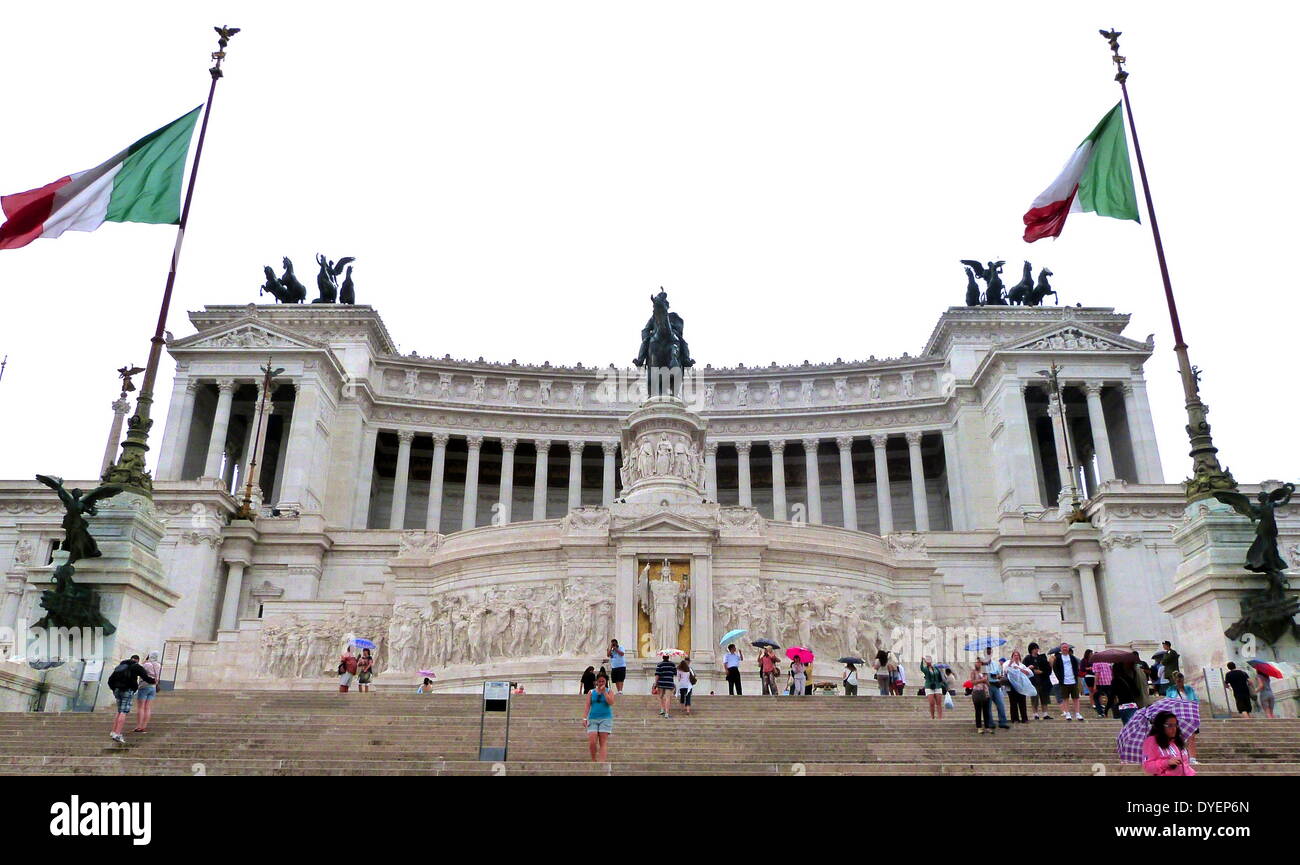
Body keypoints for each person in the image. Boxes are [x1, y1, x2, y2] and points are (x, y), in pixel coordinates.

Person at [107, 655, 156, 744]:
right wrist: (154, 681)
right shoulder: (136, 666)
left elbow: (110, 680)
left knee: (119, 711)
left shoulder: (120, 666)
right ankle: (117, 733)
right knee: (123, 711)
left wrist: (114, 689)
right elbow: (145, 678)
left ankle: (113, 731)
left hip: (117, 690)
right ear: (137, 660)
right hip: (127, 690)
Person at [1141, 710, 1196, 776]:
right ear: (1160, 726)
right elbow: (1148, 766)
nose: (1174, 728)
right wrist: (1167, 762)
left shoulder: (1177, 741)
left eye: (1175, 725)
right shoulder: (1151, 741)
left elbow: (1185, 765)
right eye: (1169, 725)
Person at [584, 671, 616, 761]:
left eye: (603, 681)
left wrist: (604, 693)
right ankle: (594, 759)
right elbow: (587, 705)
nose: (601, 683)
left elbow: (611, 702)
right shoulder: (591, 692)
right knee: (592, 741)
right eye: (599, 681)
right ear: (596, 682)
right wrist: (584, 718)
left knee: (603, 742)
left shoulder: (609, 691)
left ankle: (602, 763)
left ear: (606, 682)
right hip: (593, 718)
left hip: (605, 718)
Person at [132, 650, 163, 733]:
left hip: (144, 685)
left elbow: (140, 670)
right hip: (153, 687)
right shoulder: (159, 665)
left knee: (141, 707)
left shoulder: (146, 664)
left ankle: (139, 726)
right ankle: (144, 726)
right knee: (148, 707)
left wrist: (144, 661)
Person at [1053, 643, 1084, 721]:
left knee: (1076, 698)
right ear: (1061, 649)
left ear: (1068, 649)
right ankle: (1067, 713)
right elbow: (1055, 669)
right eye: (1063, 647)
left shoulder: (1072, 658)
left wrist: (1076, 675)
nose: (1065, 649)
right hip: (1064, 681)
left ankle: (1077, 713)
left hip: (1073, 680)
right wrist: (1060, 678)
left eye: (1066, 647)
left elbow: (1076, 667)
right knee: (1065, 698)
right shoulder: (1058, 658)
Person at [982, 647, 1010, 729]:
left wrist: (998, 677)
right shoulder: (983, 664)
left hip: (996, 685)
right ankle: (990, 723)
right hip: (988, 686)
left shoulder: (995, 664)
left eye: (990, 652)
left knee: (1000, 704)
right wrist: (992, 676)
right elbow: (985, 675)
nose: (989, 654)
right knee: (988, 705)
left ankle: (1003, 721)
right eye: (987, 652)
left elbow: (998, 674)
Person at [1025, 642, 1052, 720]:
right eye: (1035, 648)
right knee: (1034, 698)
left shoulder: (1042, 658)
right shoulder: (1027, 659)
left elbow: (1048, 669)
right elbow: (1023, 669)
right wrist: (1031, 670)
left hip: (1043, 681)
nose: (1036, 650)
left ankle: (1045, 714)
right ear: (1031, 650)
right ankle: (1035, 714)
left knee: (1044, 698)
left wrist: (1042, 672)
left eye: (1037, 648)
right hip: (1033, 682)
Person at [1004, 650, 1032, 724]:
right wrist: (1010, 663)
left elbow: (1028, 673)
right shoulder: (1007, 663)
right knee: (1013, 703)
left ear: (1019, 657)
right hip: (1012, 685)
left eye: (1017, 655)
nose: (1016, 657)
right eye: (1014, 655)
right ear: (1012, 657)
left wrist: (1021, 670)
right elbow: (1005, 671)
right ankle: (1015, 719)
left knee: (1022, 702)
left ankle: (1024, 718)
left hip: (1021, 685)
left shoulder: (1022, 665)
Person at [970, 658, 993, 734]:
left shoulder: (984, 672)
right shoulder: (973, 672)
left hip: (985, 692)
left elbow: (987, 682)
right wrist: (981, 680)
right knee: (978, 710)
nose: (978, 664)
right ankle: (979, 727)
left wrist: (986, 681)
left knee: (986, 710)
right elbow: (972, 682)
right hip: (977, 692)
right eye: (976, 662)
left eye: (979, 662)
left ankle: (987, 726)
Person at [655, 653, 678, 717]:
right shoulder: (672, 664)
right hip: (669, 682)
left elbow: (657, 675)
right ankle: (667, 713)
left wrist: (655, 683)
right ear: (668, 657)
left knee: (661, 696)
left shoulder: (659, 664)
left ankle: (662, 709)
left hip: (661, 682)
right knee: (668, 698)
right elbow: (675, 673)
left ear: (662, 657)